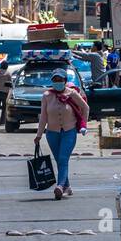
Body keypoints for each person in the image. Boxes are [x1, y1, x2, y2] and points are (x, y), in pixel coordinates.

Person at [33, 69, 89, 201]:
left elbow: (85, 108)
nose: (58, 83)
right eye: (55, 80)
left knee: (63, 159)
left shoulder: (72, 93)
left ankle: (60, 186)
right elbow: (43, 117)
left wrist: (83, 125)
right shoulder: (47, 95)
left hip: (69, 132)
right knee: (59, 160)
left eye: (60, 80)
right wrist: (39, 135)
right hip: (52, 133)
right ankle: (67, 186)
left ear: (65, 81)